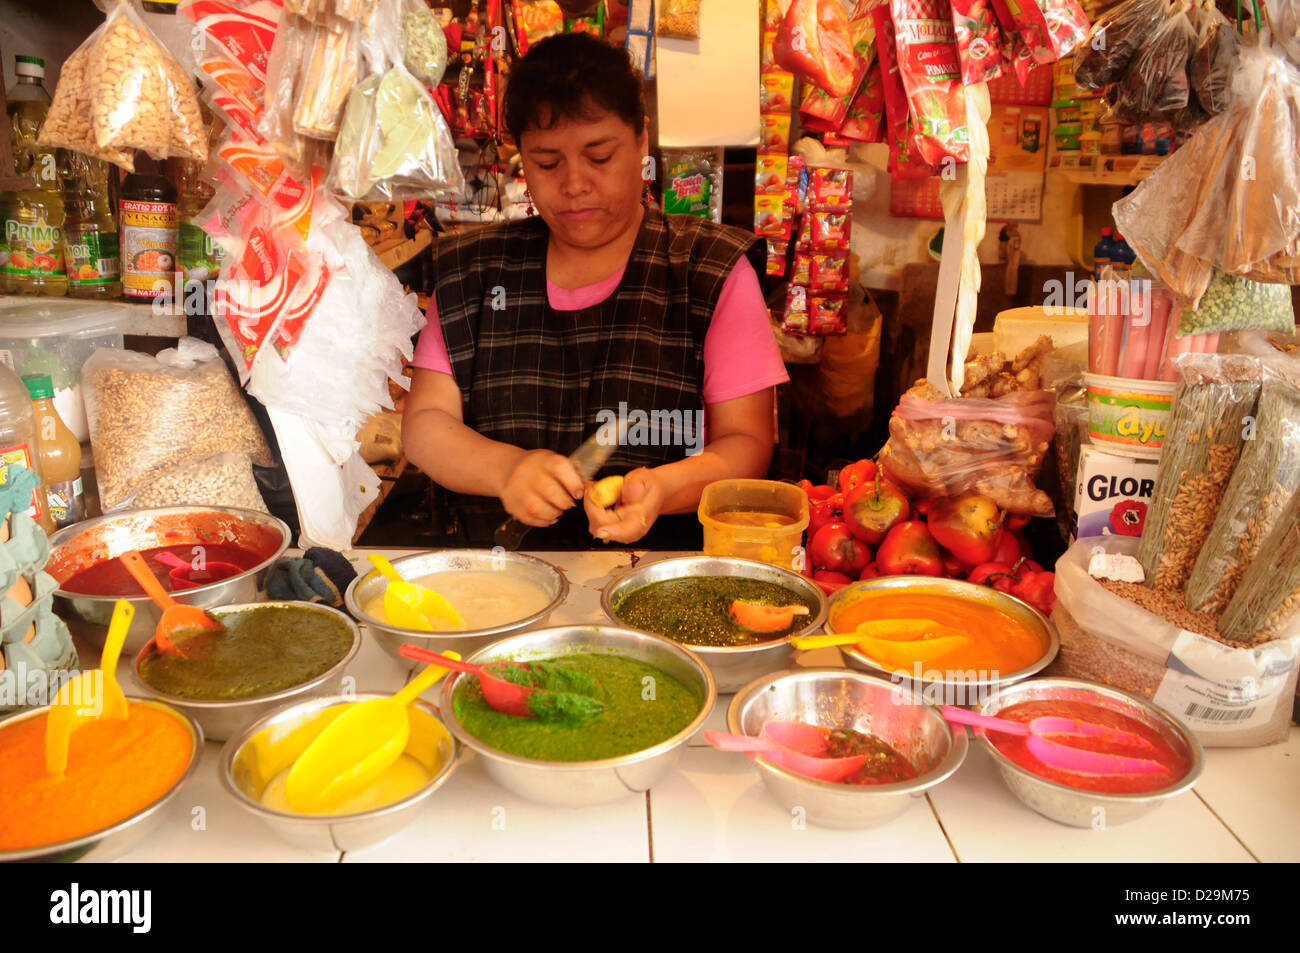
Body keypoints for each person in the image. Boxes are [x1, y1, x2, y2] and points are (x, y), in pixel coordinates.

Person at [402, 32, 789, 547]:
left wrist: (664, 488)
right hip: (498, 578)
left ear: (641, 140)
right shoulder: (471, 271)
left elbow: (746, 442)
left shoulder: (709, 270)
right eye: (546, 162)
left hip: (661, 576)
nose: (575, 183)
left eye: (600, 156)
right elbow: (426, 424)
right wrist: (506, 470)